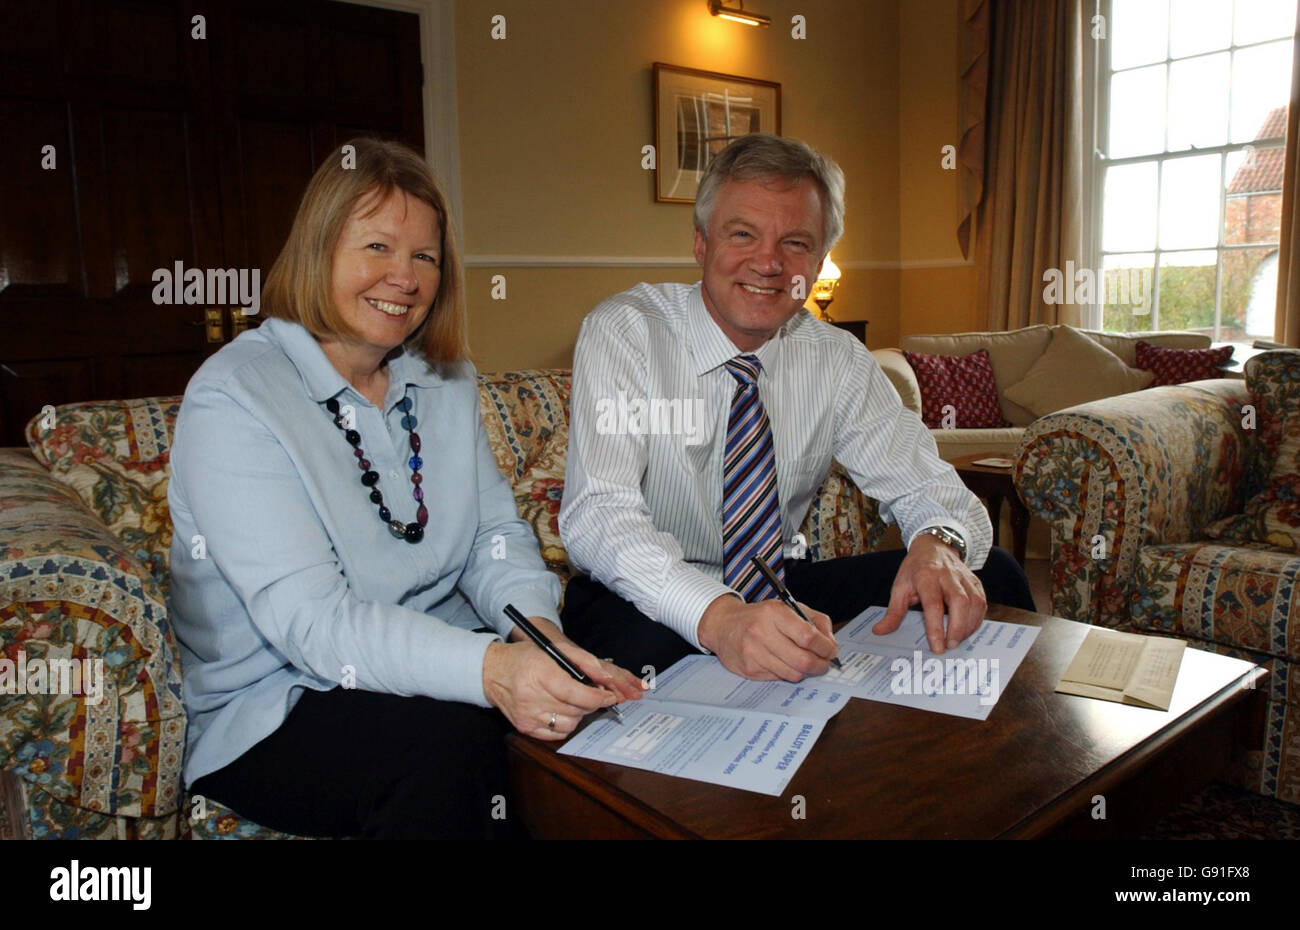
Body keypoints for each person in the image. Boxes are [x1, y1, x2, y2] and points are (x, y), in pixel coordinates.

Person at [168, 138, 642, 839]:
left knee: (617, 643)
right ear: (317, 250)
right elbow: (313, 622)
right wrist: (492, 671)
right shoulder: (233, 397)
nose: (405, 277)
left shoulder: (444, 377)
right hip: (282, 702)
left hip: (445, 660)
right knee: (449, 749)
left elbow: (495, 538)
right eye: (378, 247)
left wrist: (535, 633)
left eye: (424, 256)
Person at [558, 133, 1035, 684]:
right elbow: (599, 516)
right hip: (646, 595)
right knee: (652, 654)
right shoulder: (626, 331)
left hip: (775, 584)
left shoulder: (837, 359)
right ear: (700, 243)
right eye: (743, 234)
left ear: (820, 259)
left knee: (988, 574)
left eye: (796, 243)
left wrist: (936, 545)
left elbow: (931, 488)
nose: (768, 263)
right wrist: (718, 616)